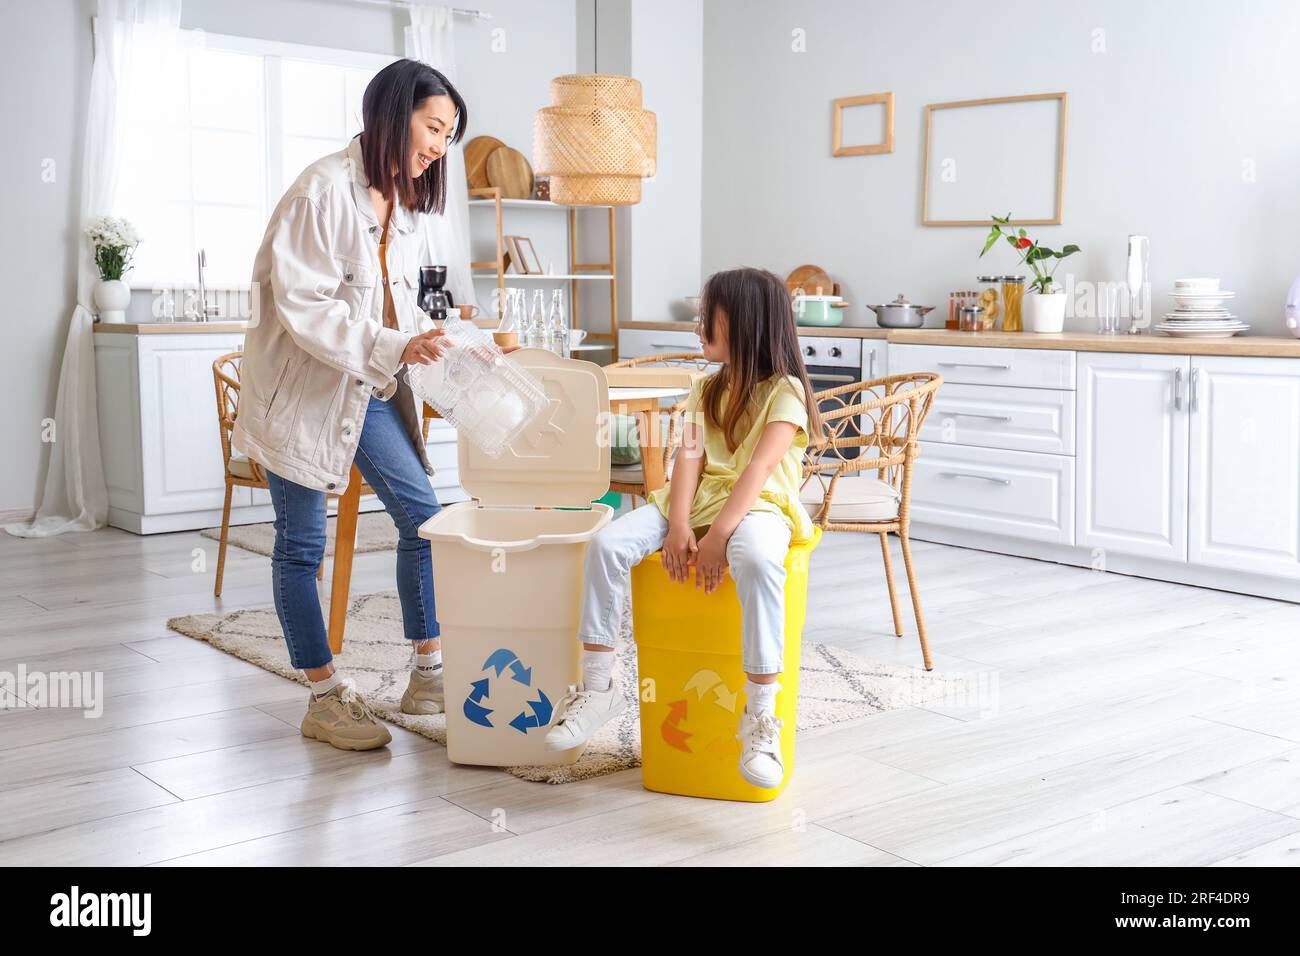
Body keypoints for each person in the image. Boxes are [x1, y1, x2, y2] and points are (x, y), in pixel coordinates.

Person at [231, 59, 469, 751]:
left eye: (449, 134)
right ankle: (325, 695)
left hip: (365, 387)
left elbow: (409, 301)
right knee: (301, 545)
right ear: (393, 115)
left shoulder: (405, 201)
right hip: (303, 392)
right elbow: (304, 307)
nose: (439, 146)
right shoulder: (321, 192)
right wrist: (399, 342)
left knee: (425, 520)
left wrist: (451, 342)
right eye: (433, 126)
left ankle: (427, 672)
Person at [544, 266, 822, 788]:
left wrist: (717, 536)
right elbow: (687, 459)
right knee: (606, 544)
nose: (697, 329)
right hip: (691, 503)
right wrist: (678, 525)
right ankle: (599, 688)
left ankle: (761, 718)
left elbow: (760, 471)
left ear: (742, 324)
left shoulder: (785, 390)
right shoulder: (706, 387)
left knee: (758, 560)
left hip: (757, 507)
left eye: (706, 318)